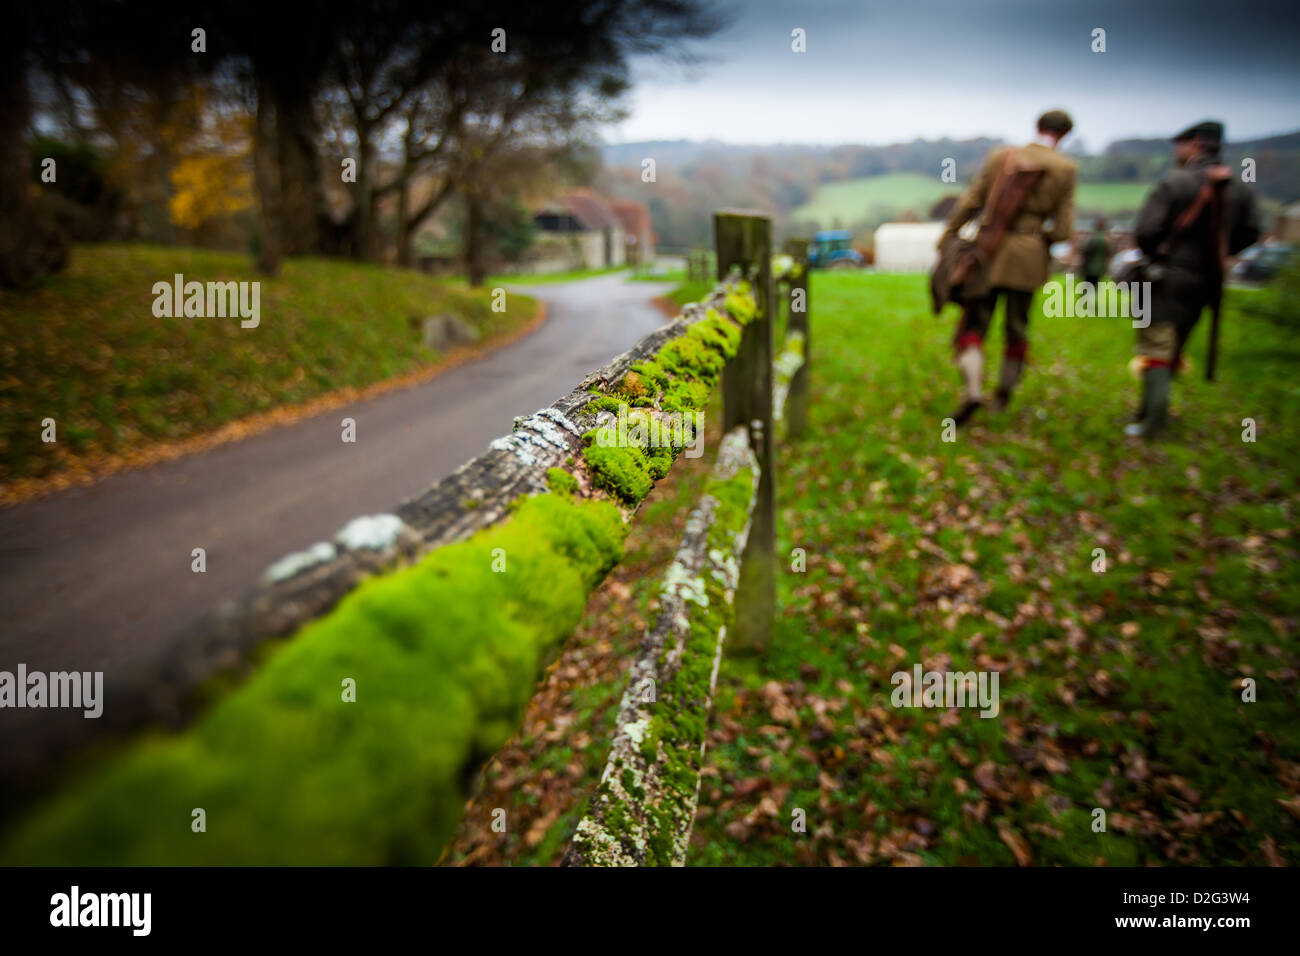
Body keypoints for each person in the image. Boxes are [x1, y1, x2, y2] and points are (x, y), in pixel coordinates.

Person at [938, 110, 1078, 425]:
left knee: (974, 324)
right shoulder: (1066, 169)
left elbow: (972, 200)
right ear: (1064, 135)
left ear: (1037, 127)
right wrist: (1038, 237)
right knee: (1016, 327)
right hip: (1029, 257)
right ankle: (1002, 395)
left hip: (990, 250)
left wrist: (949, 234)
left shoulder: (1002, 157)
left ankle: (973, 390)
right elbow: (1063, 229)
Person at [1126, 120, 1260, 439]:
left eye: (1182, 144)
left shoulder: (1175, 183)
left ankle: (1152, 422)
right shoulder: (1241, 189)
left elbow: (1145, 231)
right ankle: (1149, 410)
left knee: (1157, 346)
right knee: (1176, 344)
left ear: (1196, 144)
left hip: (1167, 276)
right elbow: (1251, 232)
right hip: (1208, 280)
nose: (1178, 151)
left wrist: (1158, 253)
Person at [1082, 217, 1110, 289]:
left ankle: (1086, 299)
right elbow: (1109, 253)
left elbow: (1085, 251)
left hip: (1089, 267)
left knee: (1087, 286)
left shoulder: (1092, 238)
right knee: (1094, 286)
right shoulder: (1107, 239)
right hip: (1100, 267)